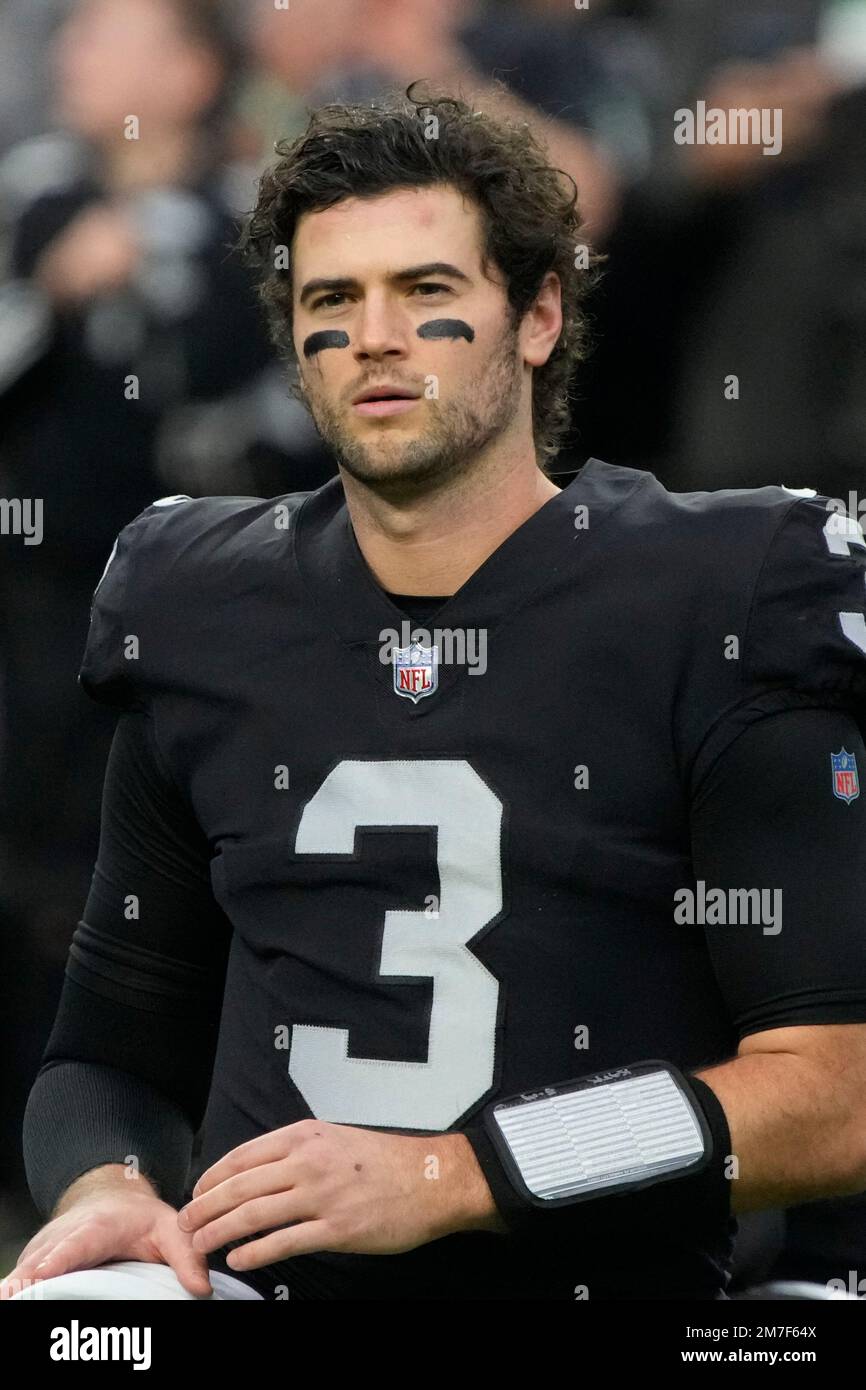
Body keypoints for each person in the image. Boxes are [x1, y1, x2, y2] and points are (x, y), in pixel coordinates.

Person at [5, 87, 866, 1302]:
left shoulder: (719, 590)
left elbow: (837, 1090)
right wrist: (110, 1191)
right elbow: (105, 1049)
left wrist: (451, 1176)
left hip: (633, 1286)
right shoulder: (197, 603)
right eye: (330, 301)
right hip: (280, 1283)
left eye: (424, 292)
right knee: (82, 1315)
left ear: (535, 315)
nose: (373, 335)